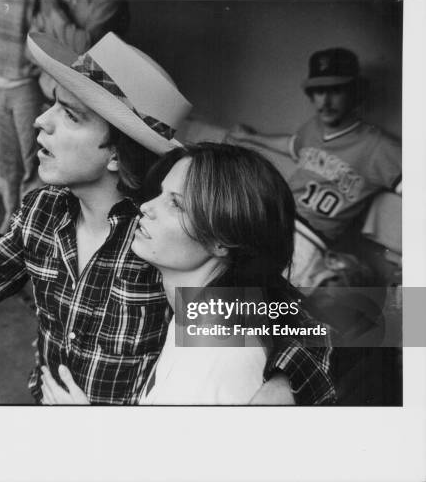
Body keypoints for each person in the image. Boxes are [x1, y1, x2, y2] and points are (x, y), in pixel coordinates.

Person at [0, 32, 334, 405]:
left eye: (71, 115)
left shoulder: (164, 238)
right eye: (50, 107)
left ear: (116, 154)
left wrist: (283, 387)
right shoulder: (41, 210)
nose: (42, 122)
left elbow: (297, 322)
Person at [39, 142, 332, 405]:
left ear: (222, 239)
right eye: (161, 194)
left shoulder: (215, 353)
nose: (146, 207)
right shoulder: (211, 312)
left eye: (176, 203)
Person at [227, 48, 401, 288]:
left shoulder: (379, 146)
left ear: (354, 92)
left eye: (336, 90)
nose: (325, 101)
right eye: (320, 90)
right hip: (274, 218)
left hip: (309, 240)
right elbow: (291, 144)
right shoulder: (314, 128)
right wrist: (250, 137)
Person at [0, 0, 45, 235]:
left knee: (31, 161)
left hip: (26, 87)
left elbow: (44, 35)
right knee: (6, 159)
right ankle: (11, 213)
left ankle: (26, 225)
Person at [29, 0, 130, 102]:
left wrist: (53, 9)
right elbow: (32, 49)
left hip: (93, 90)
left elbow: (82, 46)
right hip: (51, 87)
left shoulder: (108, 1)